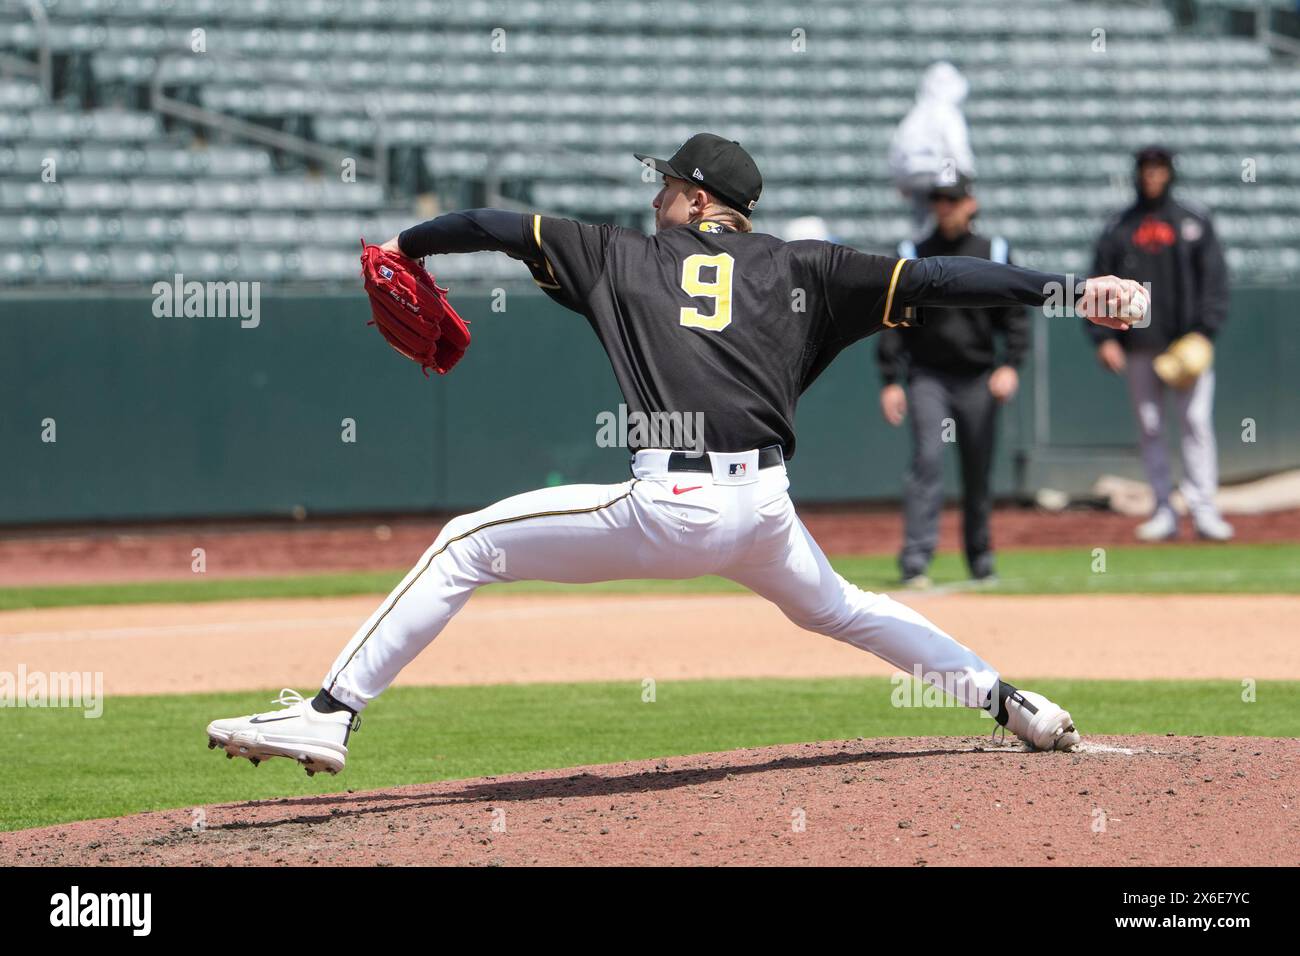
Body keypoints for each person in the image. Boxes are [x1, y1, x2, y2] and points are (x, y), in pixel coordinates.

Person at [206, 132, 1145, 774]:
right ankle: (1009, 700)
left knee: (466, 543)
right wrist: (1068, 290)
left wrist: (407, 247)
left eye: (666, 183)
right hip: (765, 513)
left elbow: (493, 224)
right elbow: (944, 278)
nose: (653, 194)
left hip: (672, 507)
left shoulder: (619, 255)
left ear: (698, 199)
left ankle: (327, 716)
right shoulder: (808, 265)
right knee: (848, 609)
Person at [877, 174, 1028, 587]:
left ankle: (980, 558)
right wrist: (890, 379)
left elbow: (1015, 313)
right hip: (929, 377)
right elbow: (893, 321)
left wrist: (1010, 364)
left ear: (970, 204)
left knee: (977, 469)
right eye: (939, 200)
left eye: (952, 199)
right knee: (928, 460)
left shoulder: (993, 251)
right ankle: (916, 560)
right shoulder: (913, 253)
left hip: (979, 376)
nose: (945, 207)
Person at [1089, 145, 1233, 541]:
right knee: (1151, 428)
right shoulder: (1120, 225)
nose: (1152, 176)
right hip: (1140, 345)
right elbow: (1097, 281)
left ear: (1169, 173)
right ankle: (1163, 511)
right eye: (1146, 169)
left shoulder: (1193, 220)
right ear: (1138, 174)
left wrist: (1204, 332)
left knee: (1196, 424)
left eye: (1159, 169)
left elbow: (1215, 280)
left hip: (1188, 342)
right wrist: (1104, 338)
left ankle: (1204, 511)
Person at [888, 62, 976, 238]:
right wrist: (967, 177)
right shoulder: (948, 113)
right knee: (945, 214)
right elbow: (956, 148)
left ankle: (922, 252)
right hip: (942, 174)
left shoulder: (915, 115)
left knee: (922, 223)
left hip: (915, 176)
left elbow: (897, 153)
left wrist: (901, 182)